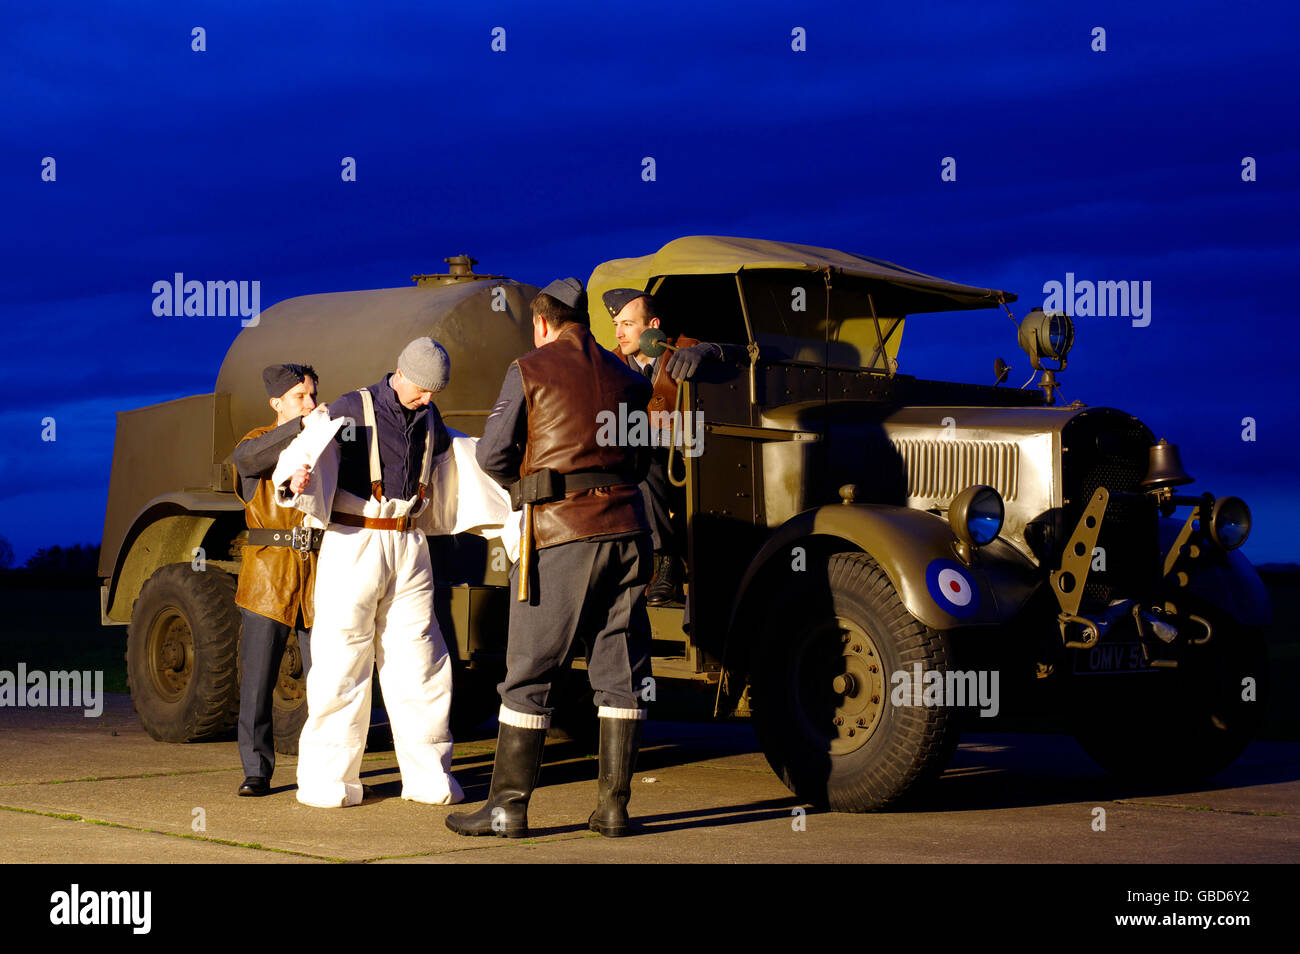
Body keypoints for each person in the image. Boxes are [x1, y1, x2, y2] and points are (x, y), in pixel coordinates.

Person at [446, 278, 654, 839]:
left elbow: (492, 454)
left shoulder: (530, 369)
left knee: (528, 675)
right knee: (620, 674)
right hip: (630, 532)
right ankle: (613, 809)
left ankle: (506, 810)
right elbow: (646, 458)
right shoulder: (628, 376)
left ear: (542, 323)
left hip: (562, 533)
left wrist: (529, 487)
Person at [272, 339, 465, 808]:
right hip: (353, 541)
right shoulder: (350, 408)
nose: (428, 399)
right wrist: (294, 477)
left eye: (435, 392)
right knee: (341, 662)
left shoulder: (431, 417)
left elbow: (457, 461)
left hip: (409, 542)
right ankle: (327, 784)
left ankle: (429, 779)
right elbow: (304, 447)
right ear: (400, 373)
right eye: (422, 390)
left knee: (421, 662)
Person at [604, 288, 736, 605]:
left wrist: (710, 350)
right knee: (640, 462)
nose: (620, 333)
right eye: (616, 325)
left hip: (690, 461)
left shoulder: (680, 350)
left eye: (628, 324)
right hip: (640, 466)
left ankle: (669, 562)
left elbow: (750, 354)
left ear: (653, 325)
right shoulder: (611, 362)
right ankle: (662, 559)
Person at [230, 363, 320, 797]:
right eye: (301, 396)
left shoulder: (320, 445)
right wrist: (301, 427)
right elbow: (250, 459)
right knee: (258, 680)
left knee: (326, 680)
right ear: (277, 402)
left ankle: (322, 767)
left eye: (313, 396)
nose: (311, 404)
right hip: (267, 574)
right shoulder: (254, 443)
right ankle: (256, 770)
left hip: (317, 572)